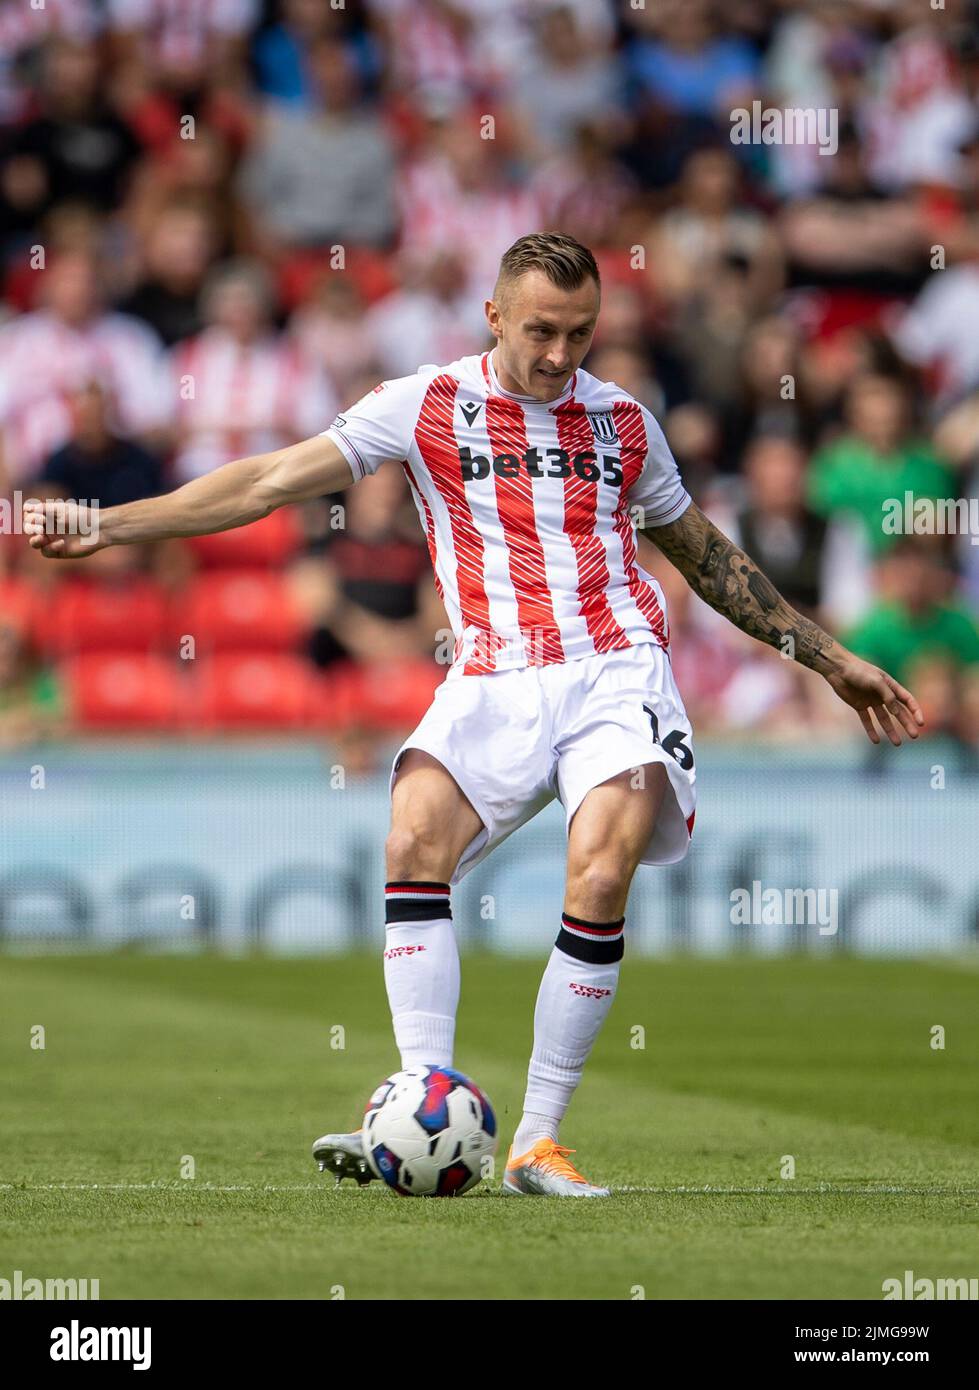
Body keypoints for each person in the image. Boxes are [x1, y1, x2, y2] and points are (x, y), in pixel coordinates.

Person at [24, 233, 924, 1197]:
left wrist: (830, 661)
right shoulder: (424, 405)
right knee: (411, 839)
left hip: (614, 667)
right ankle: (421, 1099)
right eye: (540, 331)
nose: (558, 355)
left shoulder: (623, 422)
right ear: (493, 316)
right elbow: (267, 481)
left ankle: (536, 1141)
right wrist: (109, 523)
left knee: (602, 859)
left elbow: (707, 560)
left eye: (580, 334)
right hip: (491, 676)